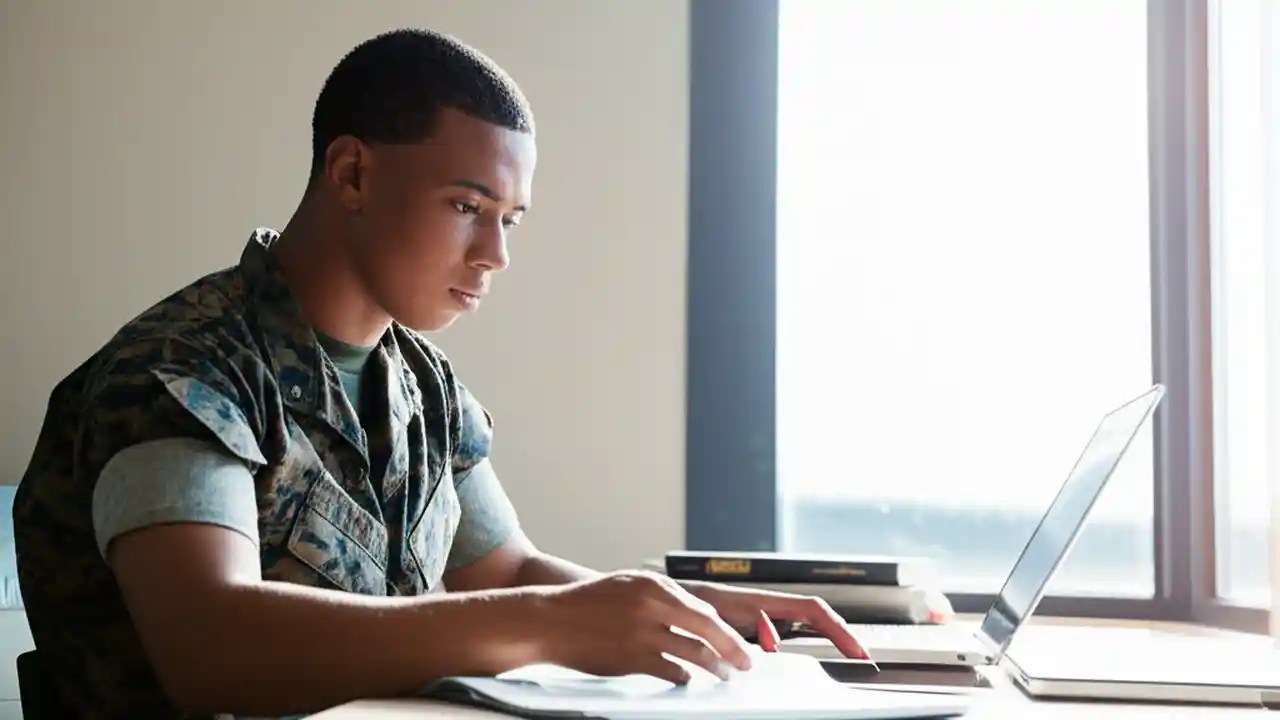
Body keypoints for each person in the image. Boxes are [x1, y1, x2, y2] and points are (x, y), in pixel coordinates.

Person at [12, 28, 868, 719]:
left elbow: (506, 573)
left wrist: (698, 614)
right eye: (466, 207)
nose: (494, 254)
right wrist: (546, 625)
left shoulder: (419, 382)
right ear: (352, 173)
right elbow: (210, 647)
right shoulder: (181, 370)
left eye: (511, 219)